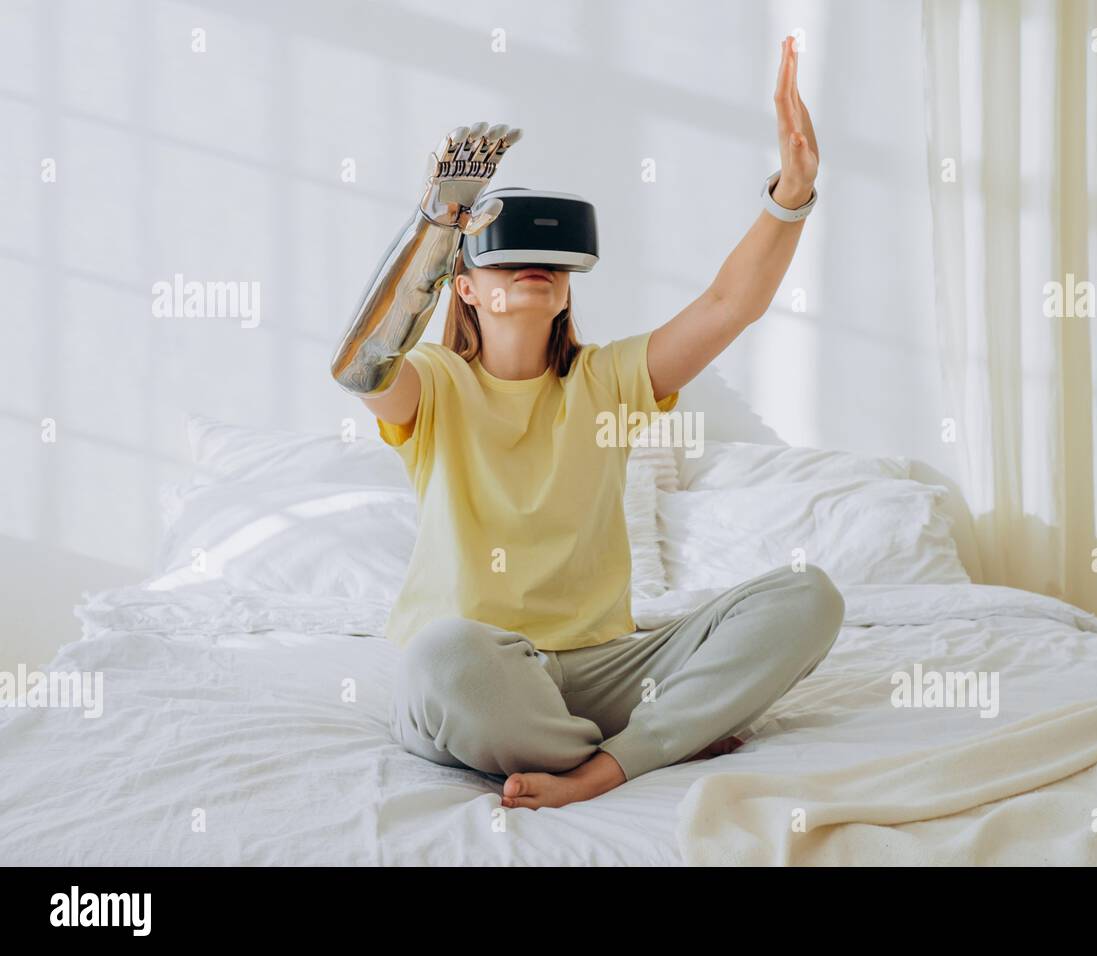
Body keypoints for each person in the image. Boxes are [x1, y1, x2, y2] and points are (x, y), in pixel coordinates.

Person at [331, 36, 843, 809]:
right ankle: (662, 740)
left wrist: (790, 195)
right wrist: (437, 226)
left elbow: (727, 306)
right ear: (463, 289)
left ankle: (607, 764)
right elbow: (360, 365)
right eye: (505, 258)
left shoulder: (606, 381)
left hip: (607, 669)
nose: (533, 266)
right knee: (445, 658)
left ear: (570, 290)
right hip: (485, 670)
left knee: (809, 596)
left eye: (551, 263)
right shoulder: (434, 385)